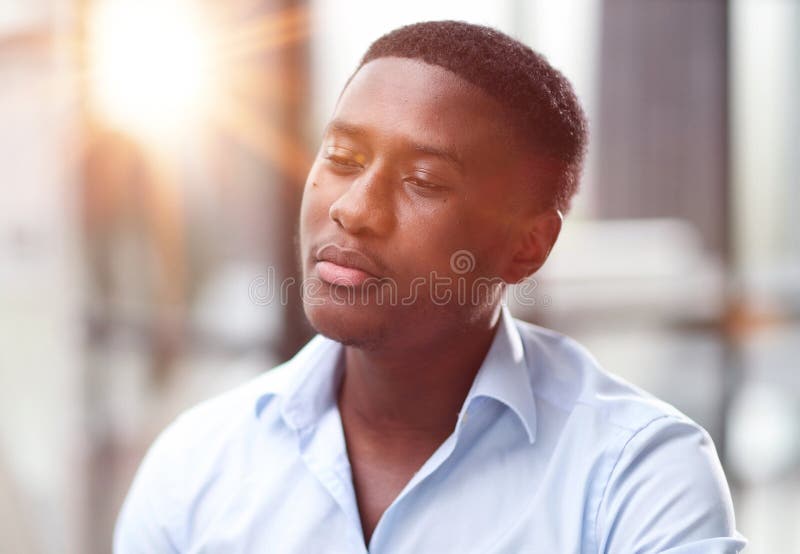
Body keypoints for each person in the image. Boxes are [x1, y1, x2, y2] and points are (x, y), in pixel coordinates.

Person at [114, 20, 746, 553]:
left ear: (527, 247)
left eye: (424, 181)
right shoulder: (195, 466)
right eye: (342, 158)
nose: (355, 210)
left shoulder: (637, 479)